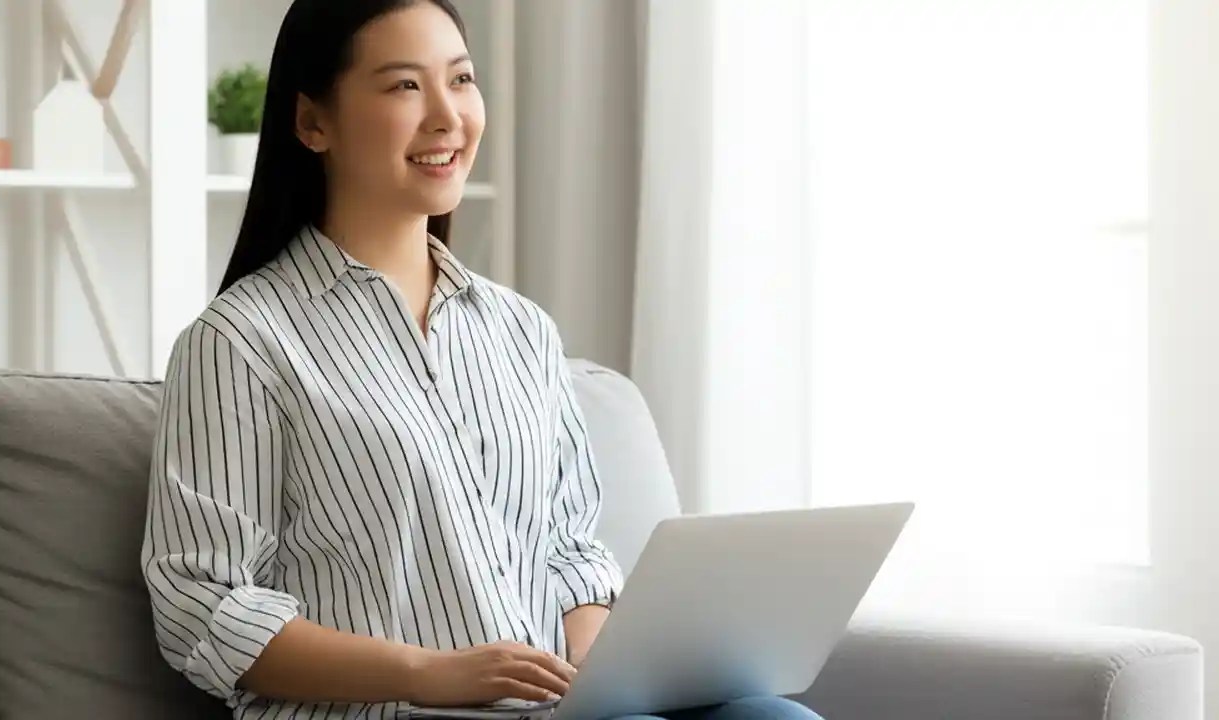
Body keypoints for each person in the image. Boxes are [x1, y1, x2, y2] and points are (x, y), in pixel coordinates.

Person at [141, 1, 823, 719]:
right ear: (313, 122)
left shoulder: (521, 330)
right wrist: (423, 672)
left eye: (461, 80)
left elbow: (568, 554)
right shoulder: (240, 342)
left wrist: (601, 663)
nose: (447, 116)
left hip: (556, 711)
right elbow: (205, 606)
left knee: (774, 715)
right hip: (391, 712)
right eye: (405, 86)